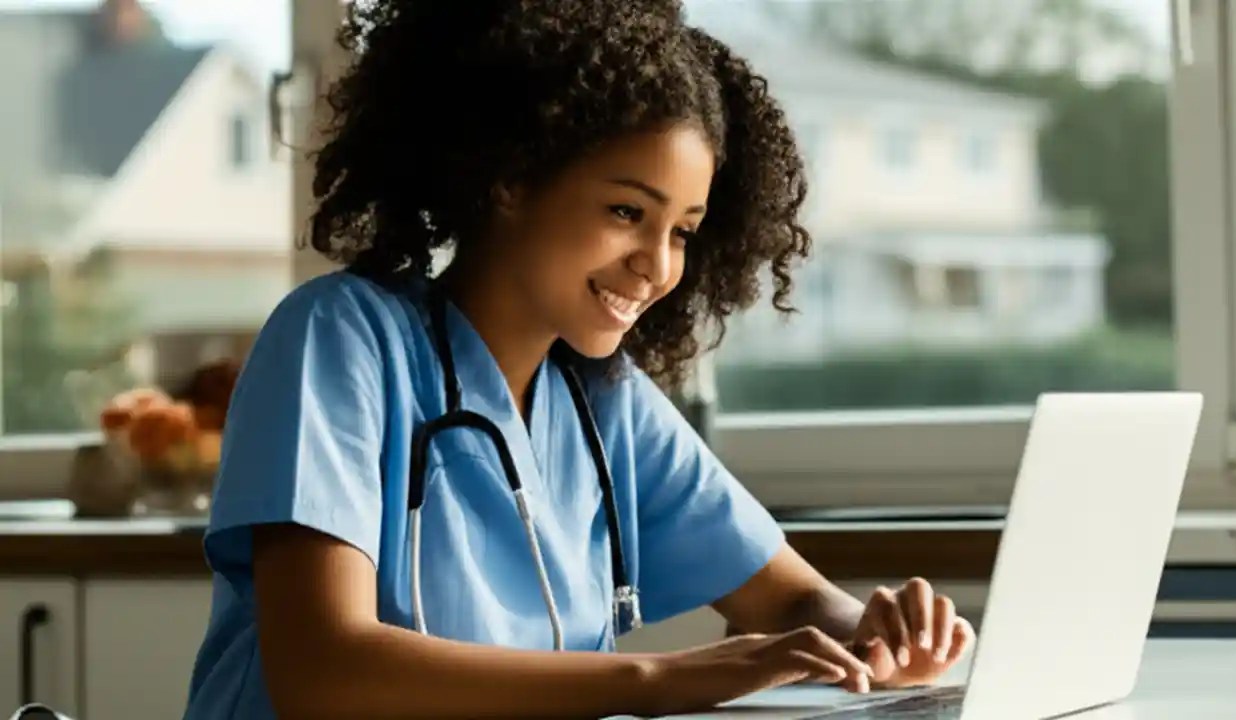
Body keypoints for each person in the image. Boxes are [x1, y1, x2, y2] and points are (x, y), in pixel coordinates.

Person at [182, 2, 975, 718]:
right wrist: (662, 679)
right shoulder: (341, 337)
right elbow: (323, 673)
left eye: (682, 232)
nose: (659, 266)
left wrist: (880, 637)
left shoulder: (602, 402)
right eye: (627, 211)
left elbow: (797, 601)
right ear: (511, 178)